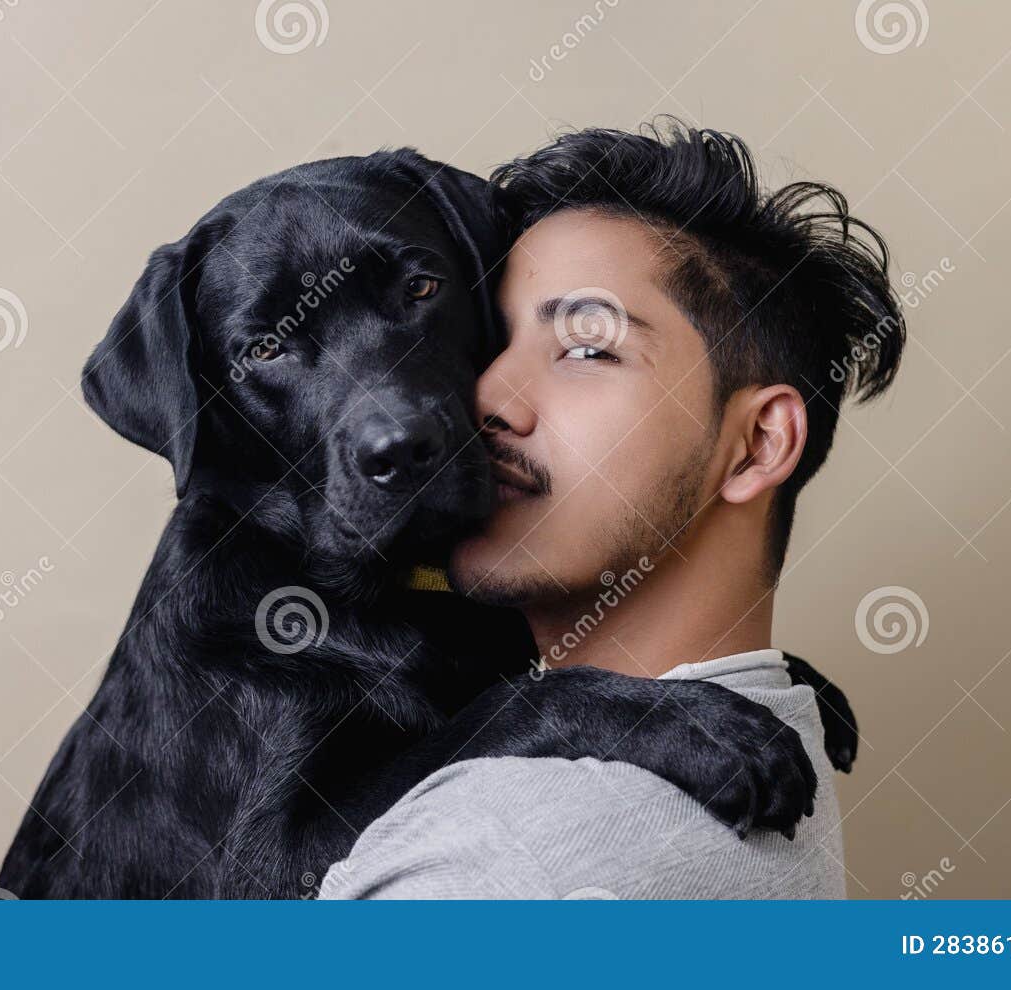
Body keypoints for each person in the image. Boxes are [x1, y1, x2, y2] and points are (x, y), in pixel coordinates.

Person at [319, 121, 905, 899]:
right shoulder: (777, 732)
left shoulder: (495, 863)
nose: (484, 400)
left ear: (760, 442)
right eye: (489, 344)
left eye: (588, 349)